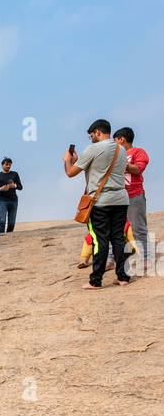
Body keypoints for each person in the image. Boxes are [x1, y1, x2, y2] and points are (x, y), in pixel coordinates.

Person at [64, 119, 130, 289]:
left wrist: (67, 160)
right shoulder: (121, 150)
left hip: (100, 201)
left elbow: (71, 172)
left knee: (99, 239)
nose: (91, 138)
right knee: (118, 238)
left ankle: (96, 281)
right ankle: (123, 277)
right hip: (121, 199)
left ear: (98, 132)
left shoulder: (93, 148)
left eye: (91, 135)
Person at [114, 128, 149, 275]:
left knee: (138, 228)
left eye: (115, 140)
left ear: (122, 139)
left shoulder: (138, 152)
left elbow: (138, 169)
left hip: (134, 195)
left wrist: (122, 163)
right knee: (115, 230)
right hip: (118, 196)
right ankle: (114, 260)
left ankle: (146, 258)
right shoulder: (114, 155)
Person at [0, 157, 23, 233]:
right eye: (6, 164)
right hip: (2, 201)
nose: (8, 166)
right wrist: (0, 189)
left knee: (11, 223)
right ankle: (1, 237)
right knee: (2, 221)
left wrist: (14, 186)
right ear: (2, 165)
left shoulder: (15, 174)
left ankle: (8, 237)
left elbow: (20, 187)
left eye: (10, 165)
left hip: (13, 201)